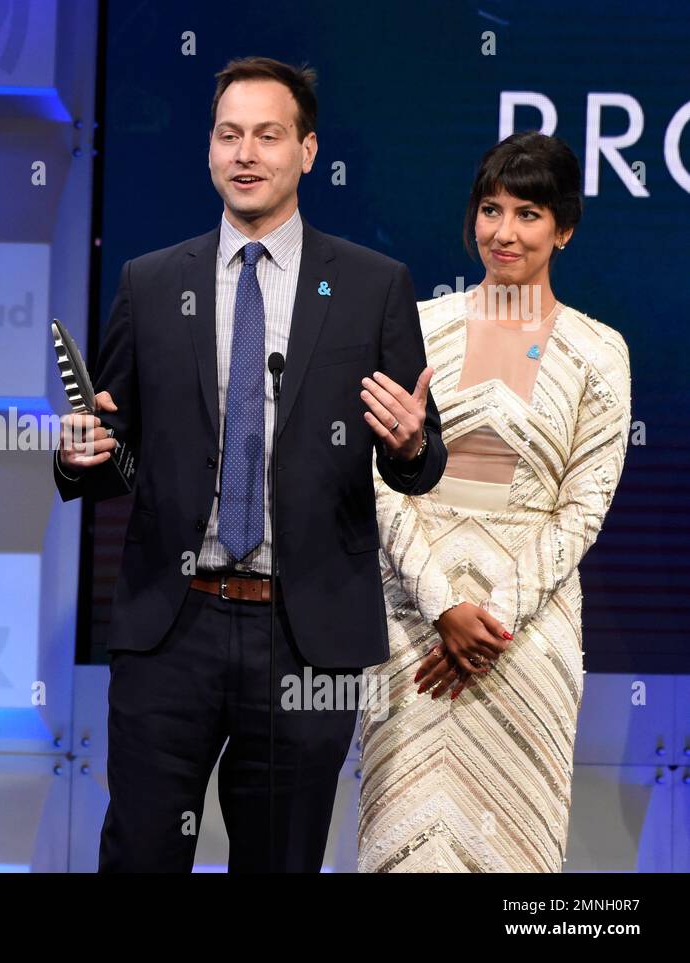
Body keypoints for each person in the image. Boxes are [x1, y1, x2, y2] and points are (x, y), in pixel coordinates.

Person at [55, 57, 446, 872]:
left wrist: (410, 444)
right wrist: (81, 452)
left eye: (268, 135)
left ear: (307, 151)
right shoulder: (153, 282)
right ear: (207, 151)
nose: (246, 153)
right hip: (173, 628)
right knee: (141, 853)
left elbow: (419, 462)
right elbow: (111, 458)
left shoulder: (374, 287)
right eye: (229, 134)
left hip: (304, 638)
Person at [359, 132, 631, 873]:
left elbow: (582, 509)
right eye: (490, 209)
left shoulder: (599, 350)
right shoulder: (414, 323)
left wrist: (495, 621)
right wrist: (442, 602)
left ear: (564, 227)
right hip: (412, 632)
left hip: (527, 640)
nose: (503, 232)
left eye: (529, 213)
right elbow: (378, 477)